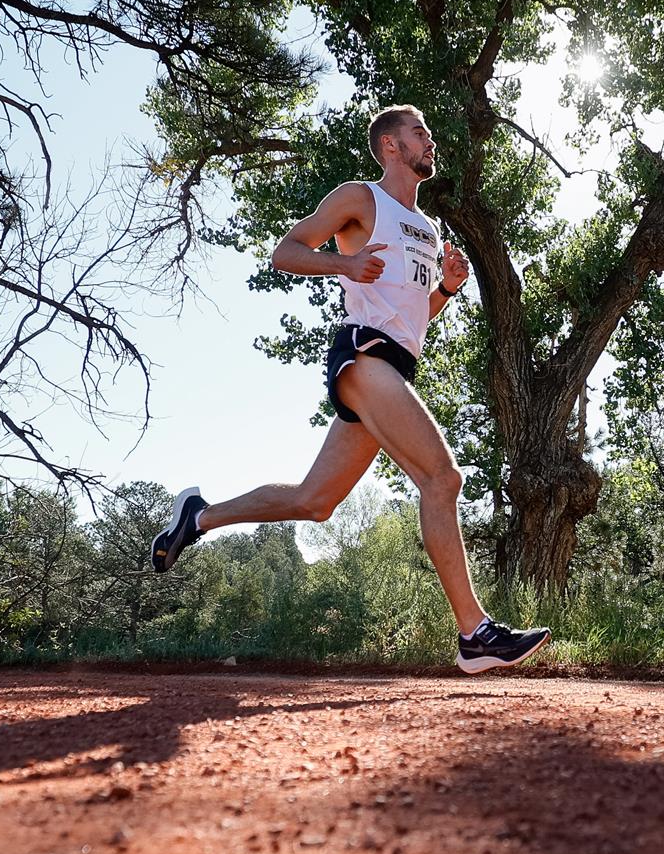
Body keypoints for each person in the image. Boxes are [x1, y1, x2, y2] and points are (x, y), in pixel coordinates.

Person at [151, 104, 551, 674]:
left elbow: (413, 320)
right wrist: (345, 264)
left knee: (315, 501)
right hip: (363, 358)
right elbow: (285, 252)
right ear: (391, 145)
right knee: (442, 478)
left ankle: (198, 516)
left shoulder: (428, 229)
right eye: (419, 132)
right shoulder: (361, 199)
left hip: (393, 364)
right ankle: (474, 633)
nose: (430, 141)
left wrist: (445, 289)